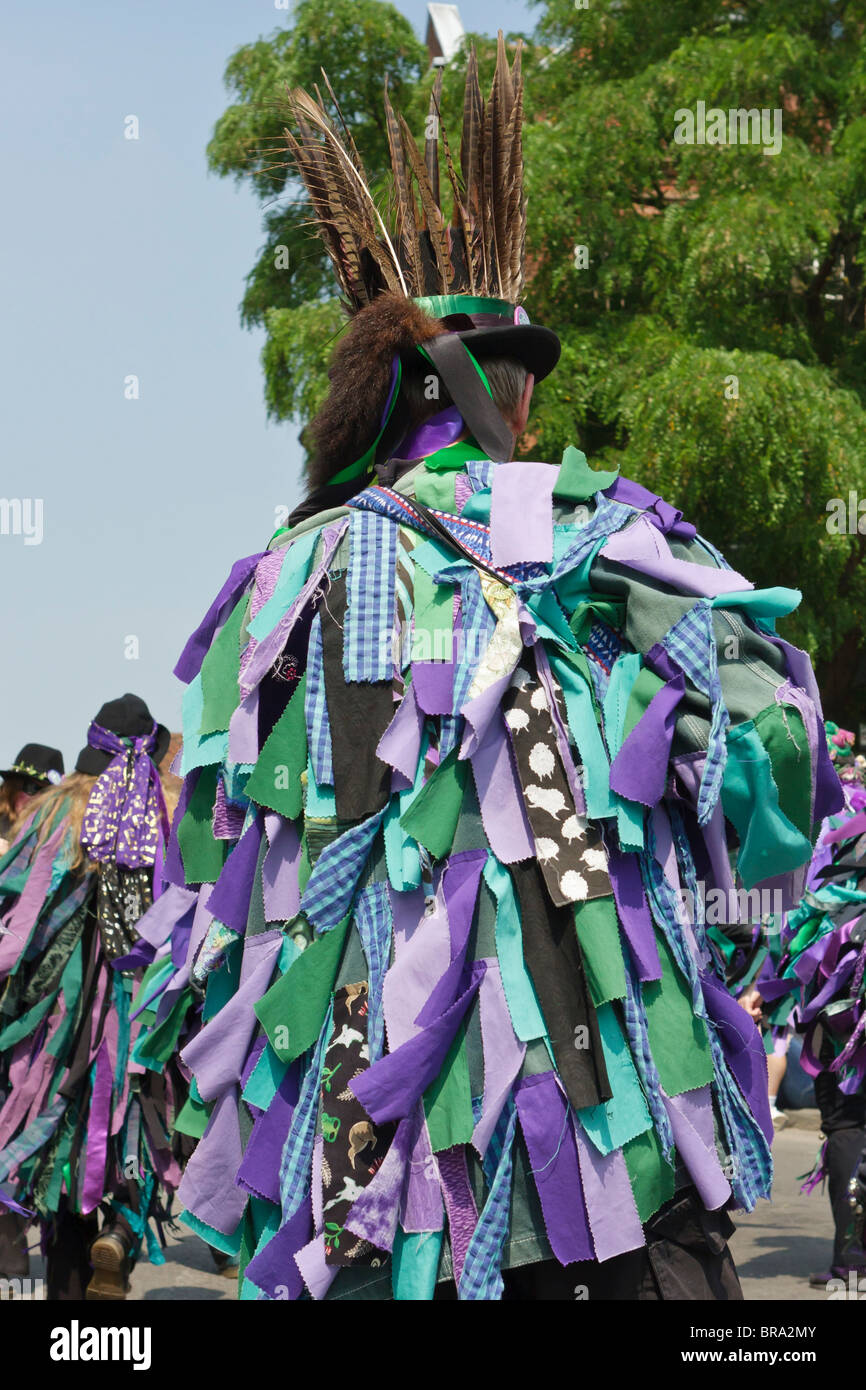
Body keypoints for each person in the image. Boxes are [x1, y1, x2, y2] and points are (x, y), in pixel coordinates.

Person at [139, 37, 839, 1300]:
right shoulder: (612, 538)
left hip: (363, 1154)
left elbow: (208, 873)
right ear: (503, 397)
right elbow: (772, 756)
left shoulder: (283, 581)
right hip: (610, 1140)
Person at [0, 695, 184, 1299]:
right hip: (133, 1022)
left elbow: (16, 920)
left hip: (52, 1034)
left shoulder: (52, 815)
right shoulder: (157, 817)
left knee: (60, 1166)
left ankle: (69, 1298)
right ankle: (121, 1239)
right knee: (133, 1147)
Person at [743, 723, 865, 1287]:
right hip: (843, 994)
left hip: (839, 1004)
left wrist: (769, 987)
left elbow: (795, 919)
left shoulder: (819, 828)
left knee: (845, 1124)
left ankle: (852, 1257)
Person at [0, 744, 64, 855]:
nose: (39, 798)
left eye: (48, 792)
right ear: (12, 788)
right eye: (32, 787)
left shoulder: (59, 842)